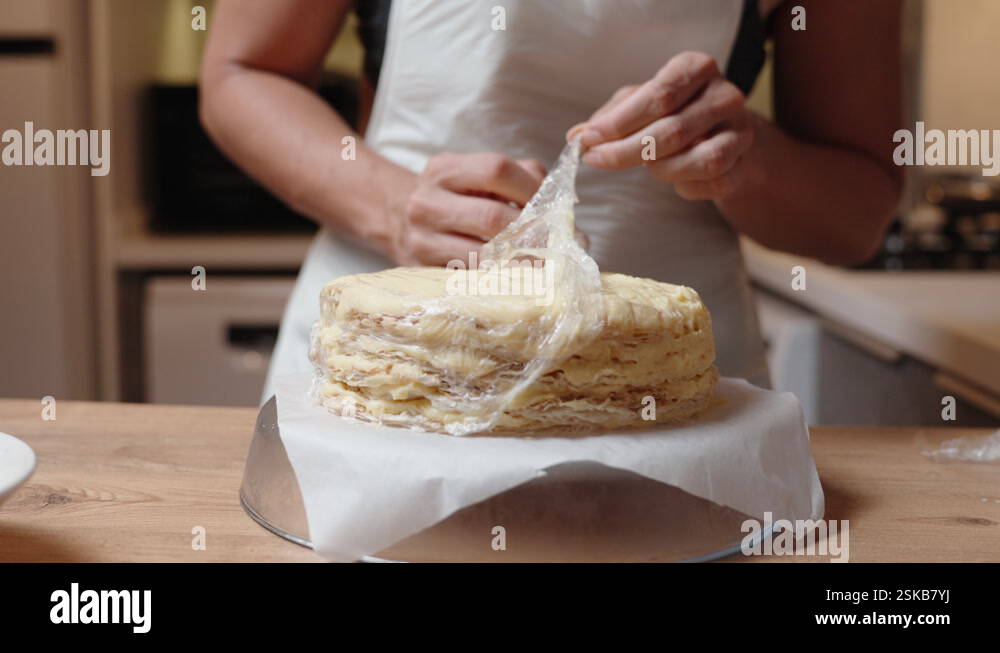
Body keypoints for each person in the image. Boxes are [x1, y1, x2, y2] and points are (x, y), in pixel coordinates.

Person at [199, 0, 903, 401]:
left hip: (669, 401)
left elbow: (858, 211)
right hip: (390, 367)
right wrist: (391, 204)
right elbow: (240, 73)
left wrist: (746, 161)